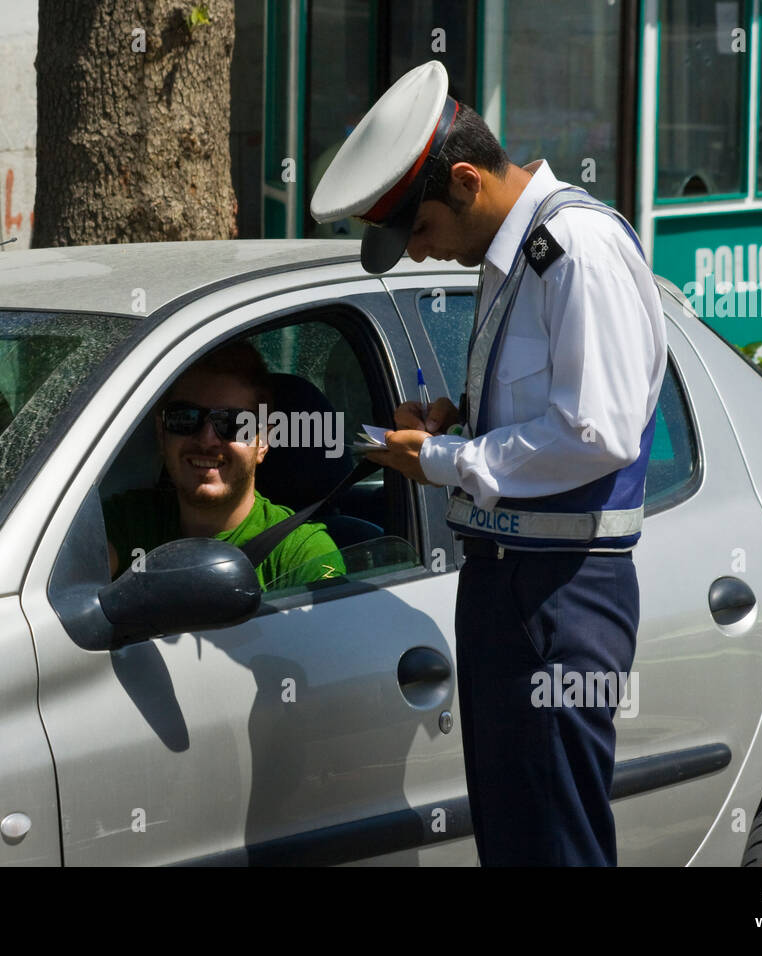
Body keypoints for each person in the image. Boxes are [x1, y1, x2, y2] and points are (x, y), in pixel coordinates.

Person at [308, 60, 666, 865]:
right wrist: (461, 422)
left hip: (562, 589)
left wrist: (441, 457)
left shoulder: (573, 250)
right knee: (517, 841)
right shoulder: (521, 252)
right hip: (514, 583)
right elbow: (553, 406)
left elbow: (596, 432)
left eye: (422, 232)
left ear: (465, 180)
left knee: (553, 845)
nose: (422, 255)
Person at [102, 340, 344, 592]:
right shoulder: (127, 522)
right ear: (161, 435)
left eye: (233, 423)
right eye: (184, 417)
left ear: (262, 441)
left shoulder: (301, 552)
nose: (207, 440)